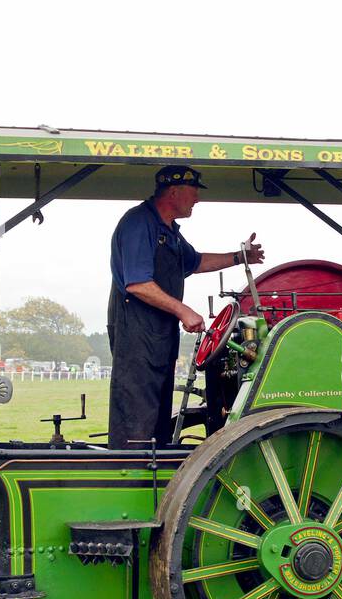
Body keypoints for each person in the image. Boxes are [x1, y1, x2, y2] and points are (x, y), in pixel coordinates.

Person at [107, 165, 264, 448]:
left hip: (159, 334)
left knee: (157, 411)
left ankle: (157, 469)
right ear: (174, 192)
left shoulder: (169, 232)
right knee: (137, 412)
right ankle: (131, 472)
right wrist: (182, 310)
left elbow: (197, 262)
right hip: (136, 332)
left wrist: (241, 257)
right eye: (194, 192)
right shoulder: (138, 223)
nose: (197, 200)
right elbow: (137, 284)